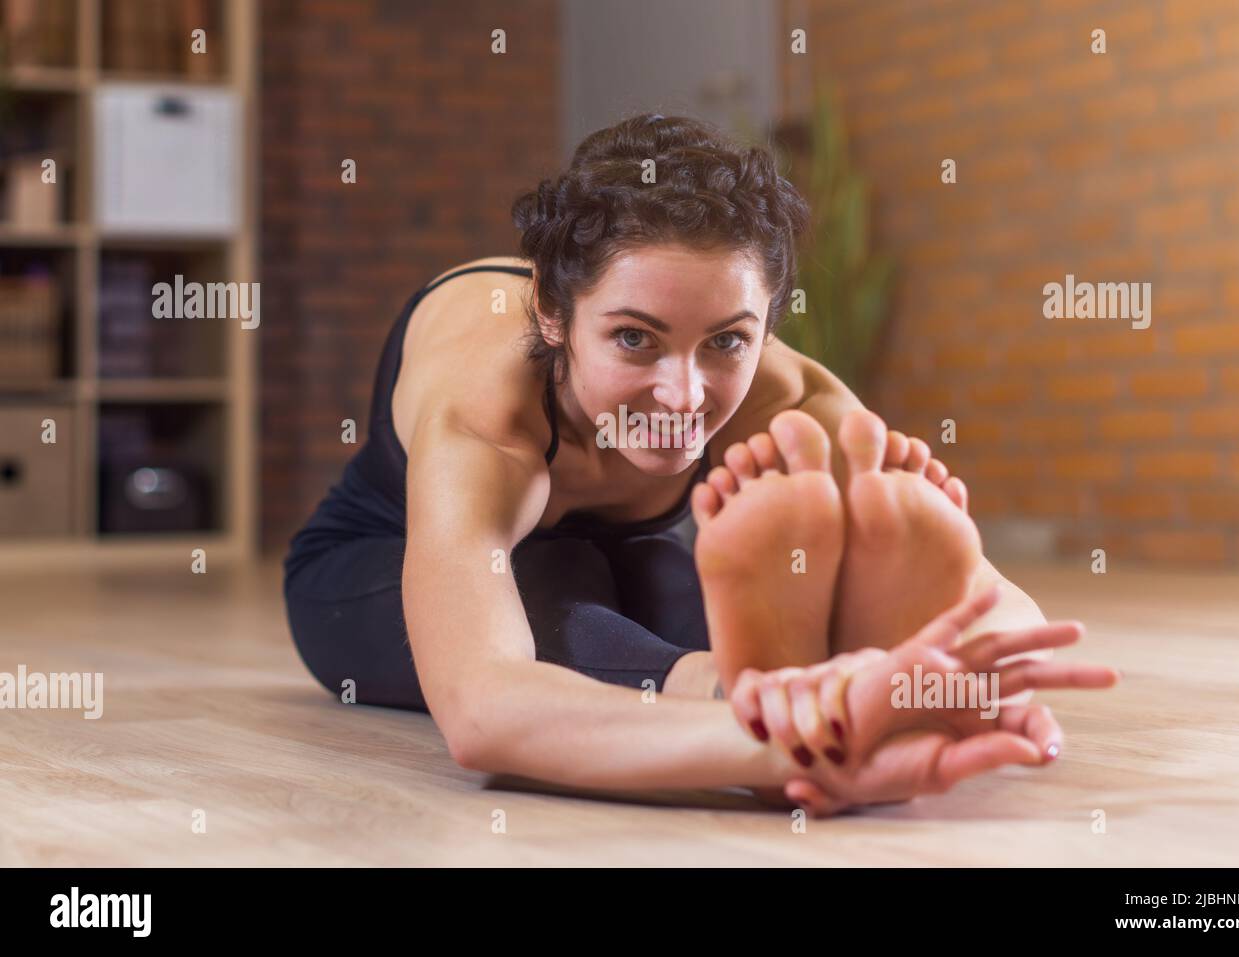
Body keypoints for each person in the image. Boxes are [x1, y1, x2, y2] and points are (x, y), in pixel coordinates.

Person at [283, 112, 1118, 816]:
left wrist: (974, 681)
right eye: (634, 338)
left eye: (726, 340)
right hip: (374, 565)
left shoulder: (789, 403)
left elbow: (997, 599)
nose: (684, 395)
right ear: (549, 311)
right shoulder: (485, 416)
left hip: (627, 566)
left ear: (765, 325)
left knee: (687, 588)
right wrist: (790, 745)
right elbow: (481, 710)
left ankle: (804, 668)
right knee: (556, 592)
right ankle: (753, 690)